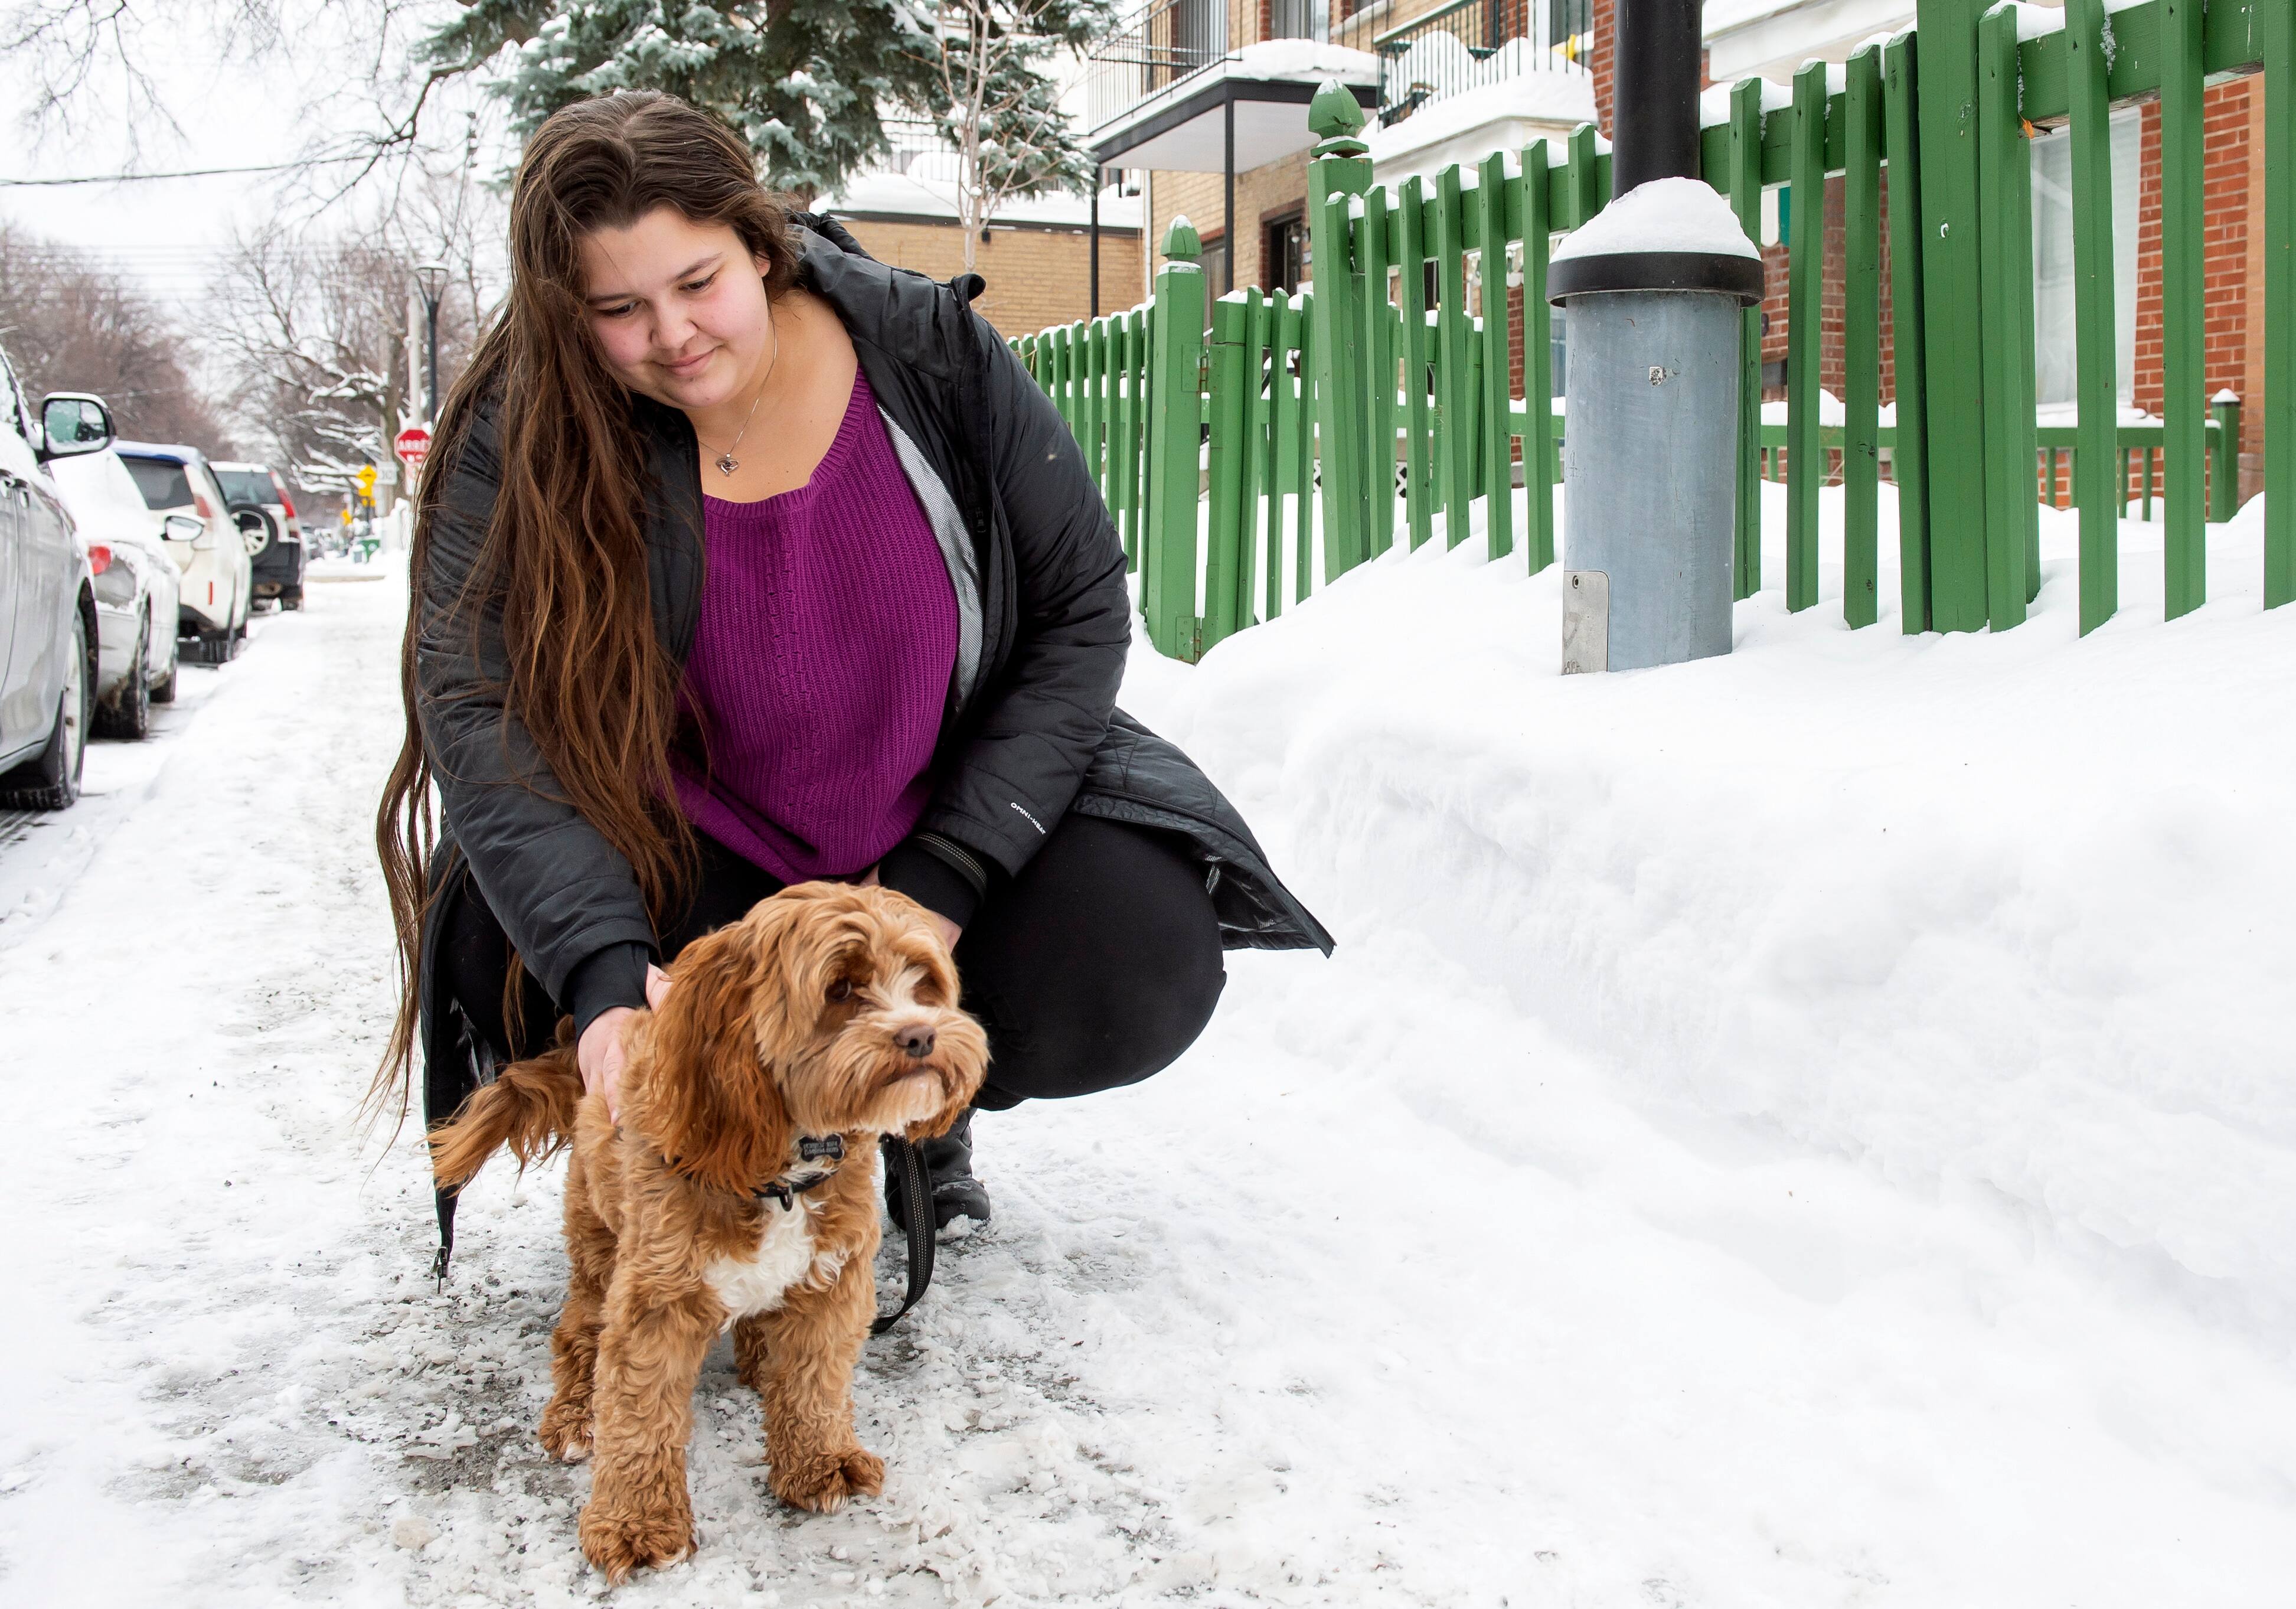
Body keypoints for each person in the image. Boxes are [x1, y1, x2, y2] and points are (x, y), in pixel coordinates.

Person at [373, 90, 1328, 1249]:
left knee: (1137, 953)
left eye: (698, 283)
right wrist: (606, 973)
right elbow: (473, 697)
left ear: (762, 245)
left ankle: (903, 1121)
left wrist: (942, 880)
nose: (672, 336)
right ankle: (734, 1152)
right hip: (689, 855)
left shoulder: (929, 357)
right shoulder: (524, 426)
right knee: (508, 957)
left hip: (923, 820)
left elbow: (1078, 610)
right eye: (618, 309)